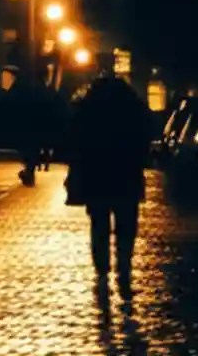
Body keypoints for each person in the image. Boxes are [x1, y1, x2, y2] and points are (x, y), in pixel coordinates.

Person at [66, 74, 151, 298]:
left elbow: (75, 142)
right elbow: (145, 139)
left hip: (97, 176)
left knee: (99, 224)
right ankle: (123, 267)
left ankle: (103, 269)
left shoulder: (89, 111)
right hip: (125, 176)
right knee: (126, 226)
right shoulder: (133, 110)